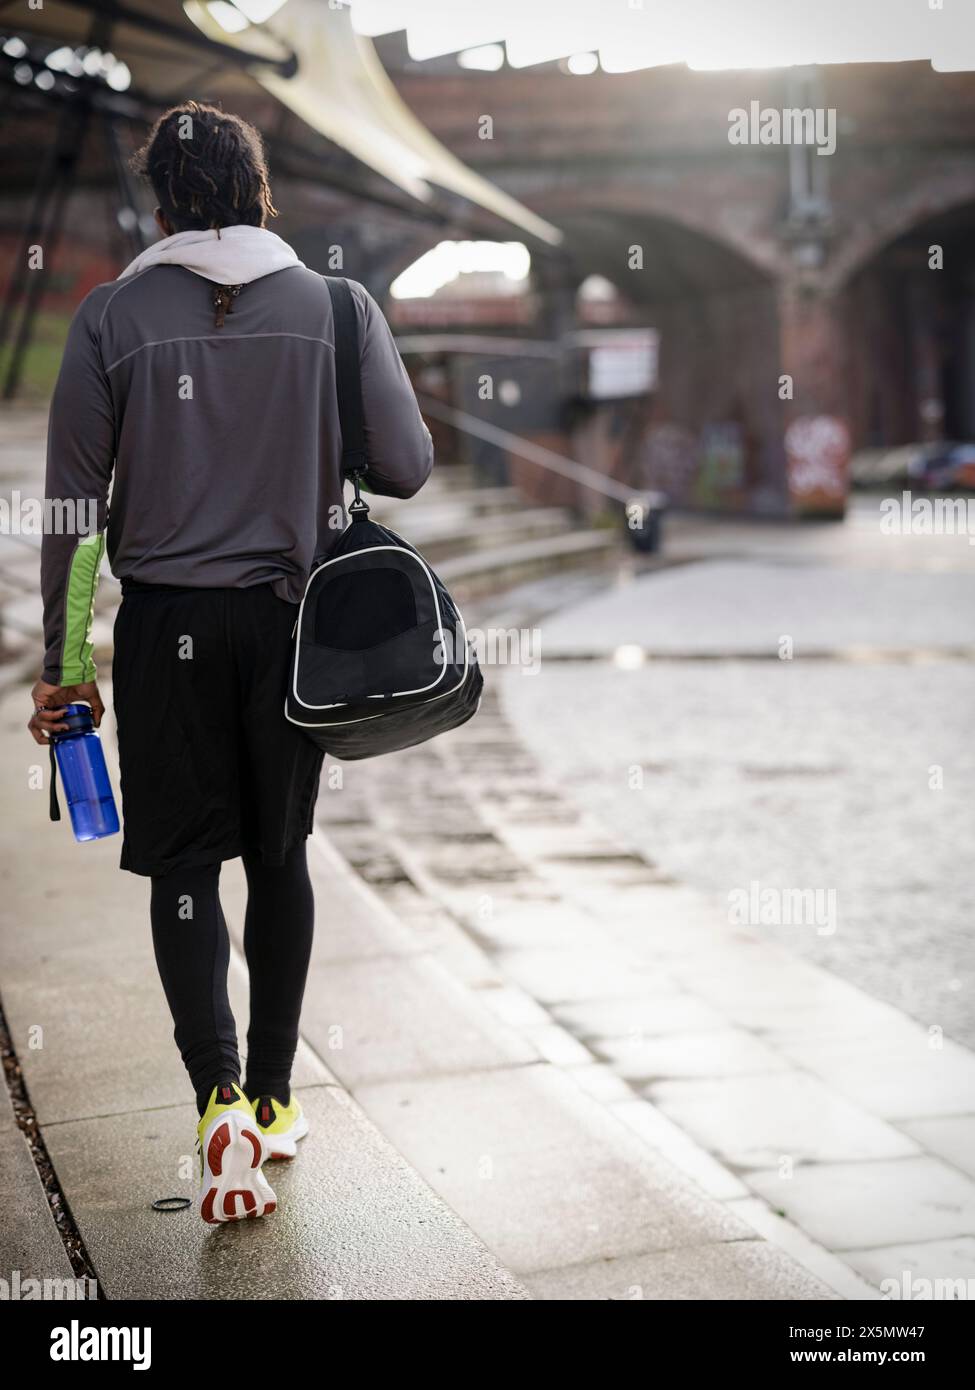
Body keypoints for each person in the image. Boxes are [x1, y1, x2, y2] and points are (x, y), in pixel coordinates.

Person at [28, 101, 433, 1224]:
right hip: (288, 629)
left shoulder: (110, 318)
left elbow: (71, 511)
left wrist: (65, 663)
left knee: (185, 867)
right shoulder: (336, 307)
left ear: (158, 201)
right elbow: (405, 464)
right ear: (260, 192)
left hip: (165, 629)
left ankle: (213, 1105)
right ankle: (272, 1097)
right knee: (281, 854)